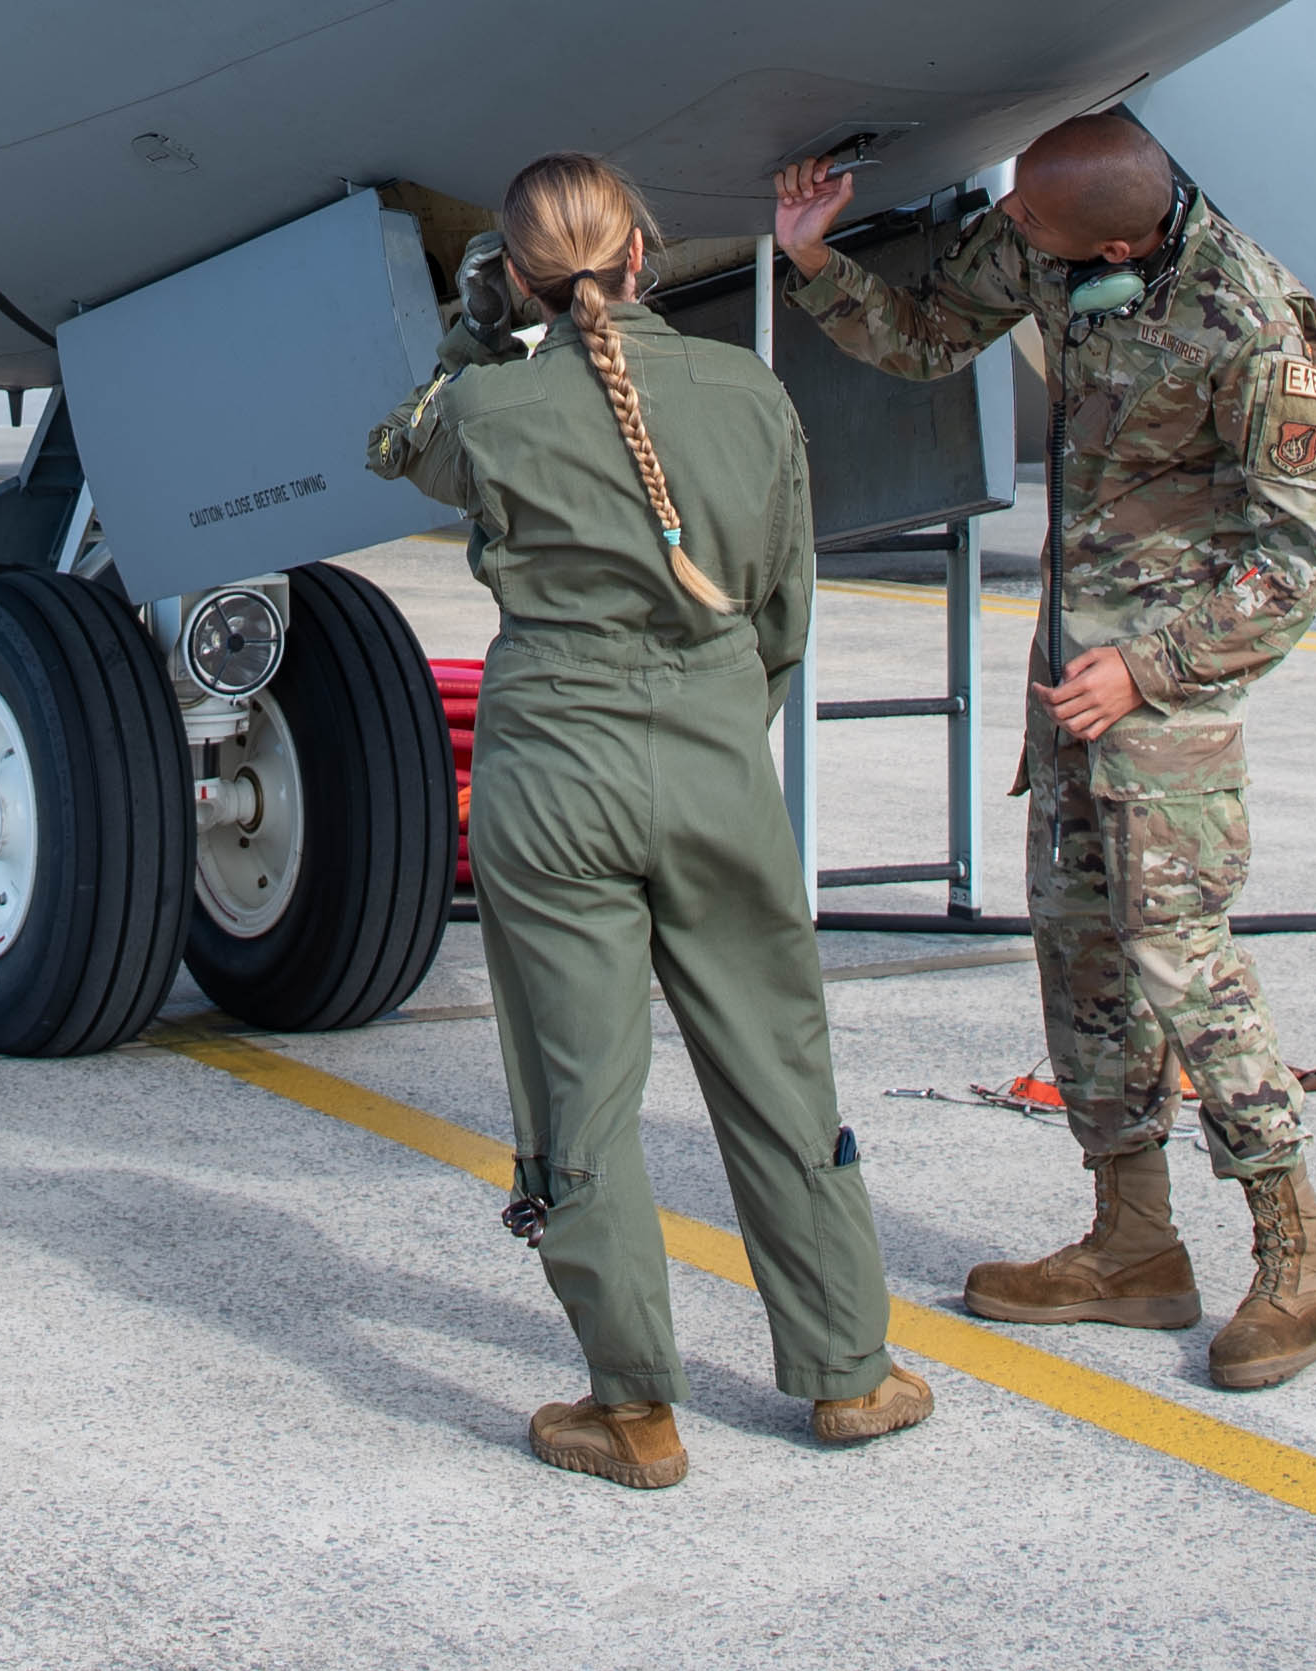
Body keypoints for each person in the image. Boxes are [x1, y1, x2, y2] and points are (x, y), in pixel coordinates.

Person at [772, 110, 1316, 1391]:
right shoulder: (1048, 236)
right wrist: (817, 262)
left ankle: (1299, 1251)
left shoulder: (1255, 322)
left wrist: (1146, 668)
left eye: (1031, 226)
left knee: (1180, 965)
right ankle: (1134, 1244)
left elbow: (1297, 554)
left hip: (1167, 702)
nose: (1007, 236)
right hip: (1067, 687)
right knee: (1081, 959)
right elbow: (929, 336)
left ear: (1120, 234)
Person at [371, 152, 933, 1487]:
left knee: (582, 1092)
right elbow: (787, 609)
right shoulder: (750, 390)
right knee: (776, 1063)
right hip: (712, 758)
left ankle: (634, 1411)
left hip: (552, 776)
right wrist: (727, 735)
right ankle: (850, 1371)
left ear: (520, 276)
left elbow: (401, 443)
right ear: (644, 259)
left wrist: (476, 324)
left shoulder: (495, 408)